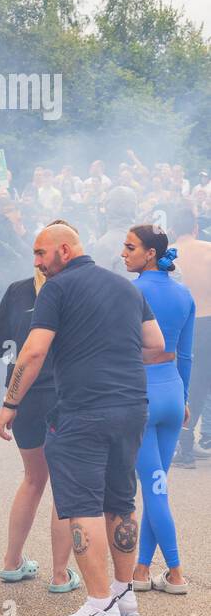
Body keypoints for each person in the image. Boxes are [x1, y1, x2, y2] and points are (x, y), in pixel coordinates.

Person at [0, 224, 168, 616]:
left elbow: (33, 351)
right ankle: (122, 596)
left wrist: (9, 404)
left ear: (65, 251)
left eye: (41, 253)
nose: (36, 262)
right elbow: (156, 343)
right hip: (130, 408)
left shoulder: (57, 289)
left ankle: (98, 606)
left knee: (83, 505)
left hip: (83, 411)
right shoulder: (127, 288)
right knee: (120, 501)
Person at [0, 262, 76, 592]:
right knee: (65, 484)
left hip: (22, 394)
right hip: (62, 394)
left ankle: (12, 563)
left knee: (32, 479)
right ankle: (59, 574)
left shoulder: (16, 290)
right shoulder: (74, 290)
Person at [122, 225, 193, 594]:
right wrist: (184, 401)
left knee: (154, 489)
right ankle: (142, 568)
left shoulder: (130, 292)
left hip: (142, 394)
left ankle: (177, 571)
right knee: (157, 485)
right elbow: (186, 353)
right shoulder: (183, 294)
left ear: (150, 253)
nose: (123, 253)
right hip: (172, 393)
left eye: (130, 247)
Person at [169, 206, 211, 465]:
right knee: (201, 384)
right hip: (208, 320)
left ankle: (182, 442)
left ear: (173, 229)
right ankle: (186, 441)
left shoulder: (167, 253)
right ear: (195, 228)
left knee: (180, 381)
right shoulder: (208, 250)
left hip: (181, 323)